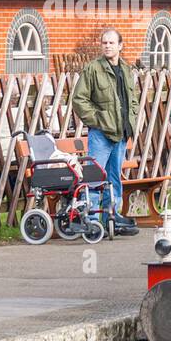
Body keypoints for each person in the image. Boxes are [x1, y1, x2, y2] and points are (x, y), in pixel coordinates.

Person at [71, 28, 140, 236]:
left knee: (113, 177)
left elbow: (132, 99)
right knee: (94, 176)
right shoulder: (93, 69)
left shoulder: (127, 70)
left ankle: (112, 216)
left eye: (111, 43)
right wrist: (98, 120)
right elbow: (79, 99)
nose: (107, 46)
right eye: (104, 43)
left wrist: (132, 118)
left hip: (121, 133)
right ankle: (90, 219)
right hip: (101, 134)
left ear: (120, 45)